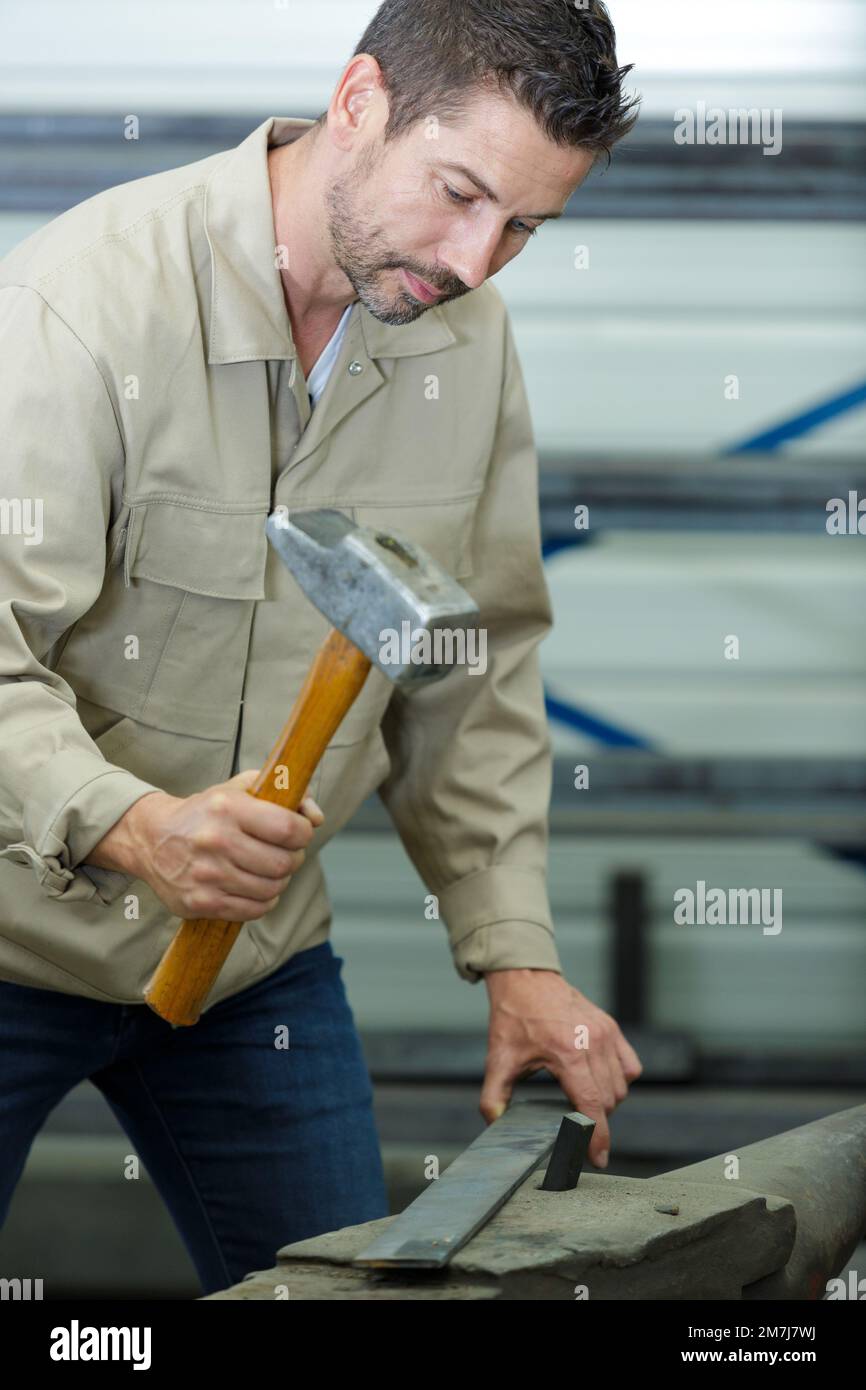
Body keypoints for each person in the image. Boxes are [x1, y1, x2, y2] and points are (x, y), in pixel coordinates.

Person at [0, 0, 641, 1295]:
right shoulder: (84, 303)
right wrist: (129, 824)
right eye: (459, 193)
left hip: (253, 963)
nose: (476, 258)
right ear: (357, 103)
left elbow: (474, 666)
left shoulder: (463, 340)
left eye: (523, 225)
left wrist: (515, 951)